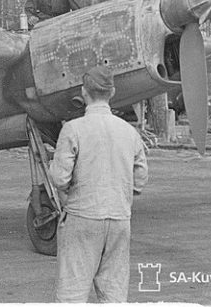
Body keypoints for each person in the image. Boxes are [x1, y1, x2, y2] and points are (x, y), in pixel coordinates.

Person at [48, 66, 149, 303]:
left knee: (72, 294)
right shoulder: (129, 131)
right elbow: (141, 178)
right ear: (112, 92)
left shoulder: (73, 129)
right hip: (119, 220)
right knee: (113, 295)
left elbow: (59, 178)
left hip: (82, 218)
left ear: (84, 92)